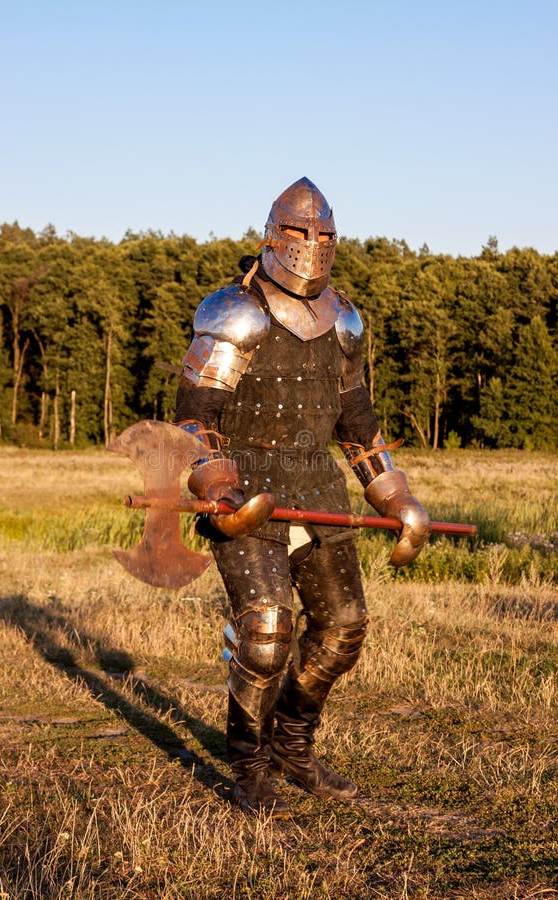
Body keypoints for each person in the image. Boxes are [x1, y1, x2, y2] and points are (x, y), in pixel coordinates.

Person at [174, 177, 430, 818]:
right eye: (299, 231)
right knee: (266, 633)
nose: (312, 243)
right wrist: (219, 485)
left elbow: (359, 427)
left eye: (324, 233)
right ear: (271, 234)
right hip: (248, 492)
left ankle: (293, 744)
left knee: (343, 630)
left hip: (319, 490)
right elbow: (194, 421)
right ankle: (250, 764)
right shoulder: (233, 313)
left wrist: (398, 501)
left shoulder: (344, 320)